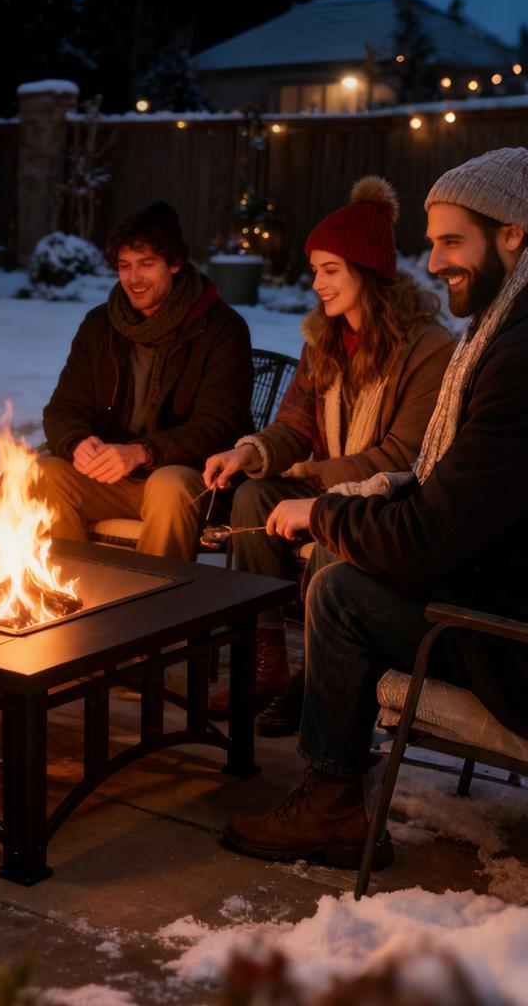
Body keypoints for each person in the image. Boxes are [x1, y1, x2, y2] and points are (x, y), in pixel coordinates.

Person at [223, 148, 528, 870]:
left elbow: (422, 514)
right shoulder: (491, 333)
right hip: (492, 577)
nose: (434, 259)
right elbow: (431, 483)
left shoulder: (495, 354)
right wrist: (255, 453)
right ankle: (271, 670)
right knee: (268, 504)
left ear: (513, 234)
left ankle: (330, 804)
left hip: (508, 628)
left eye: (451, 241)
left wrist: (327, 506)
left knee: (342, 590)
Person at [203, 178, 453, 730]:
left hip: (390, 502)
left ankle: (318, 680)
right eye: (315, 269)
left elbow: (403, 455)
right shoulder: (324, 339)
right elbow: (294, 423)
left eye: (330, 270)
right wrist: (248, 453)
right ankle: (266, 662)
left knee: (332, 537)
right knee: (253, 497)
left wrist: (314, 478)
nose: (317, 283)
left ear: (367, 271)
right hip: (326, 485)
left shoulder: (427, 348)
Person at [39, 201, 253, 559]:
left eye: (146, 264)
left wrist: (142, 452)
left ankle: (155, 595)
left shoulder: (221, 328)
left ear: (174, 263)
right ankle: (73, 586)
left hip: (190, 478)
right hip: (111, 479)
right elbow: (63, 407)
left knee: (169, 485)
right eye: (125, 266)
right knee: (42, 474)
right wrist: (76, 442)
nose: (134, 278)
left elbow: (218, 425)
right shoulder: (101, 325)